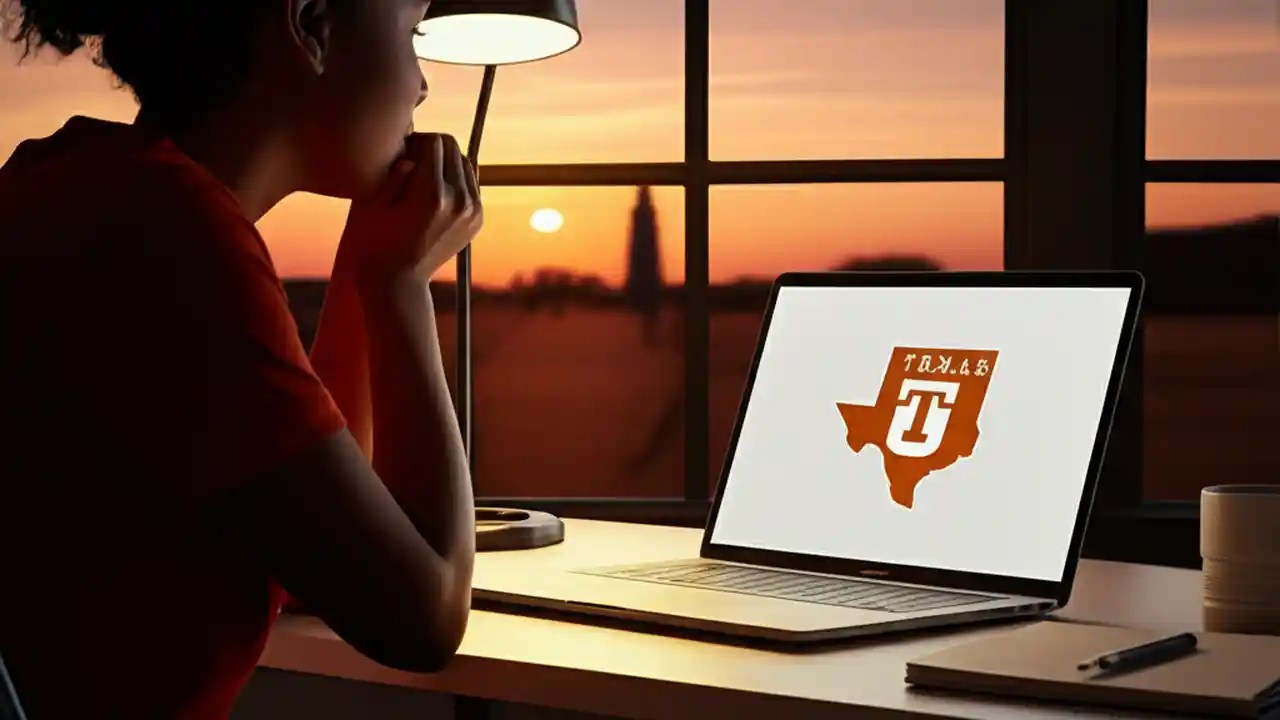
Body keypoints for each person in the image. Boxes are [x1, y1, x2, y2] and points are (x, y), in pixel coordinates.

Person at [0, 0, 480, 717]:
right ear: (312, 25)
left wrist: (363, 268)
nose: (421, 85)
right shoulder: (164, 233)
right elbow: (422, 619)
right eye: (410, 34)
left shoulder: (78, 182)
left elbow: (321, 531)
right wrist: (398, 286)